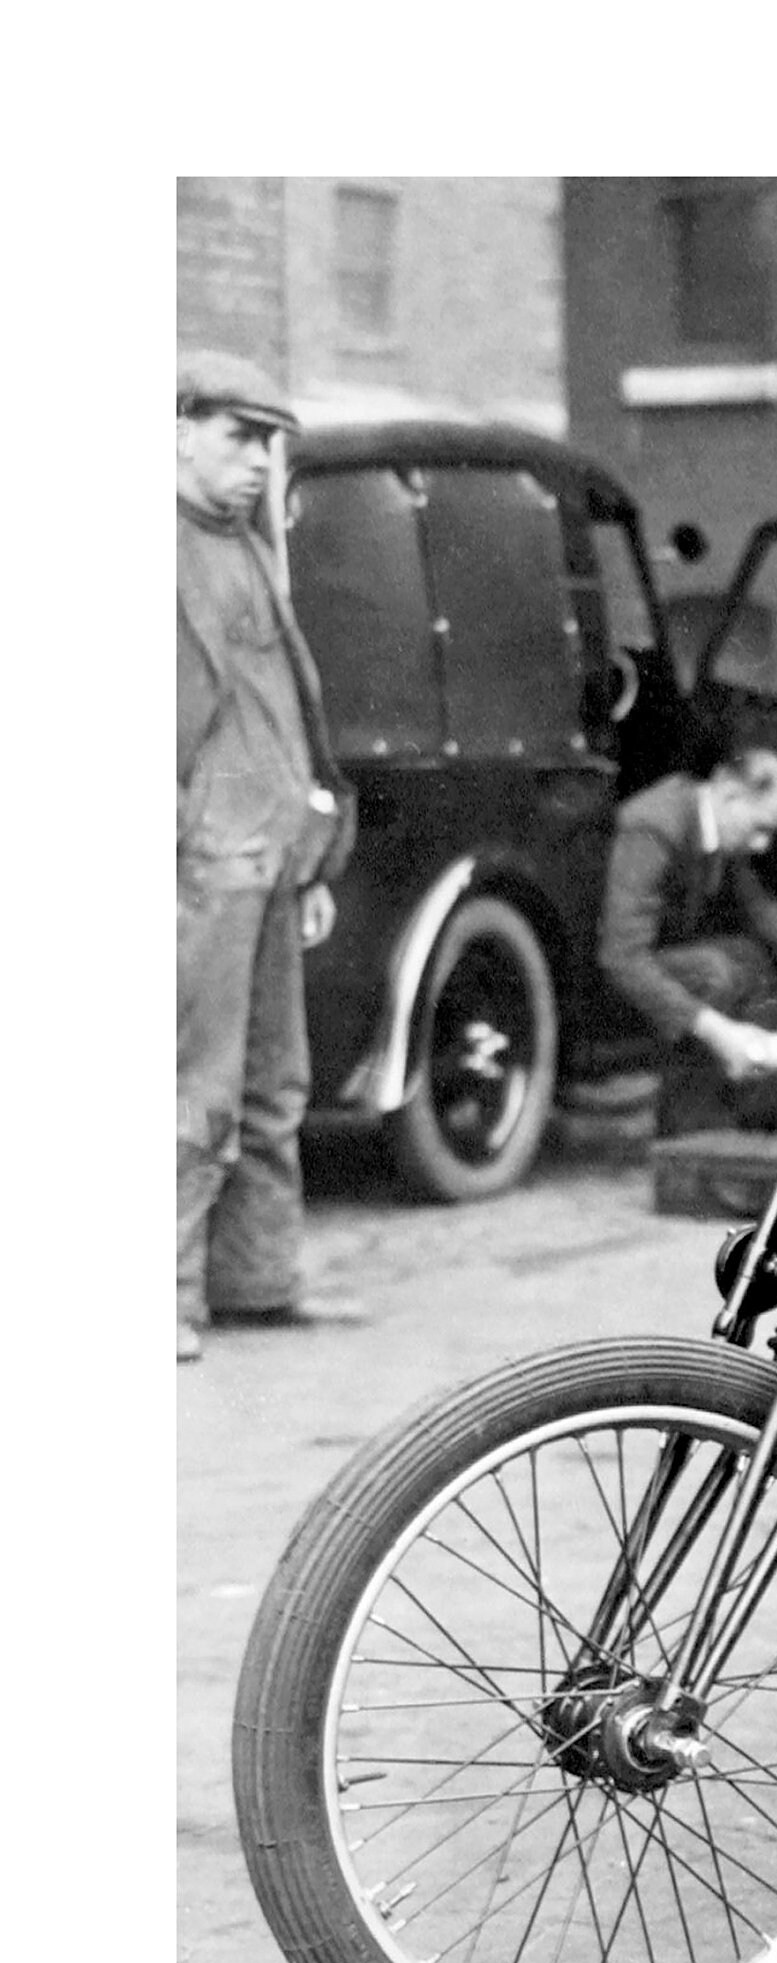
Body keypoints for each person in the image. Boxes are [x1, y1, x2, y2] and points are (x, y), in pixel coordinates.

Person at [177, 348, 362, 1365]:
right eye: (239, 436)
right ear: (177, 428)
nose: (258, 461)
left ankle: (257, 1277)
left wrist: (311, 856)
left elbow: (281, 716)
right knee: (190, 1083)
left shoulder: (242, 544)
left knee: (271, 1080)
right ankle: (160, 1293)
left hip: (268, 859)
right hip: (204, 859)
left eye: (269, 442)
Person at [599, 734, 777, 1135]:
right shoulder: (655, 826)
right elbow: (621, 959)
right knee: (716, 972)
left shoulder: (713, 818)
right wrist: (719, 1031)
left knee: (750, 958)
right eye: (759, 828)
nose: (762, 845)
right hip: (608, 982)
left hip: (657, 964)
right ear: (731, 796)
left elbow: (755, 901)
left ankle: (771, 1126)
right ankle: (688, 1133)